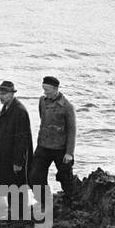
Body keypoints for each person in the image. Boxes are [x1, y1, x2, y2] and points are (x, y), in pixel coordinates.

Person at [29, 76, 77, 214]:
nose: (45, 93)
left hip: (61, 148)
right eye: (43, 89)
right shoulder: (42, 101)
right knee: (34, 176)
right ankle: (44, 201)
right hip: (43, 145)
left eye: (47, 90)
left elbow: (72, 131)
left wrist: (69, 153)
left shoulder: (67, 107)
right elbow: (42, 118)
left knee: (65, 177)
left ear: (56, 89)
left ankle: (70, 203)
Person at [0, 80, 33, 218]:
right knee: (9, 185)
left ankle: (21, 215)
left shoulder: (19, 111)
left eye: (4, 93)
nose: (1, 96)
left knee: (17, 186)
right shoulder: (6, 108)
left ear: (12, 94)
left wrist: (18, 161)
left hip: (15, 156)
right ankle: (13, 212)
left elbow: (22, 139)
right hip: (5, 154)